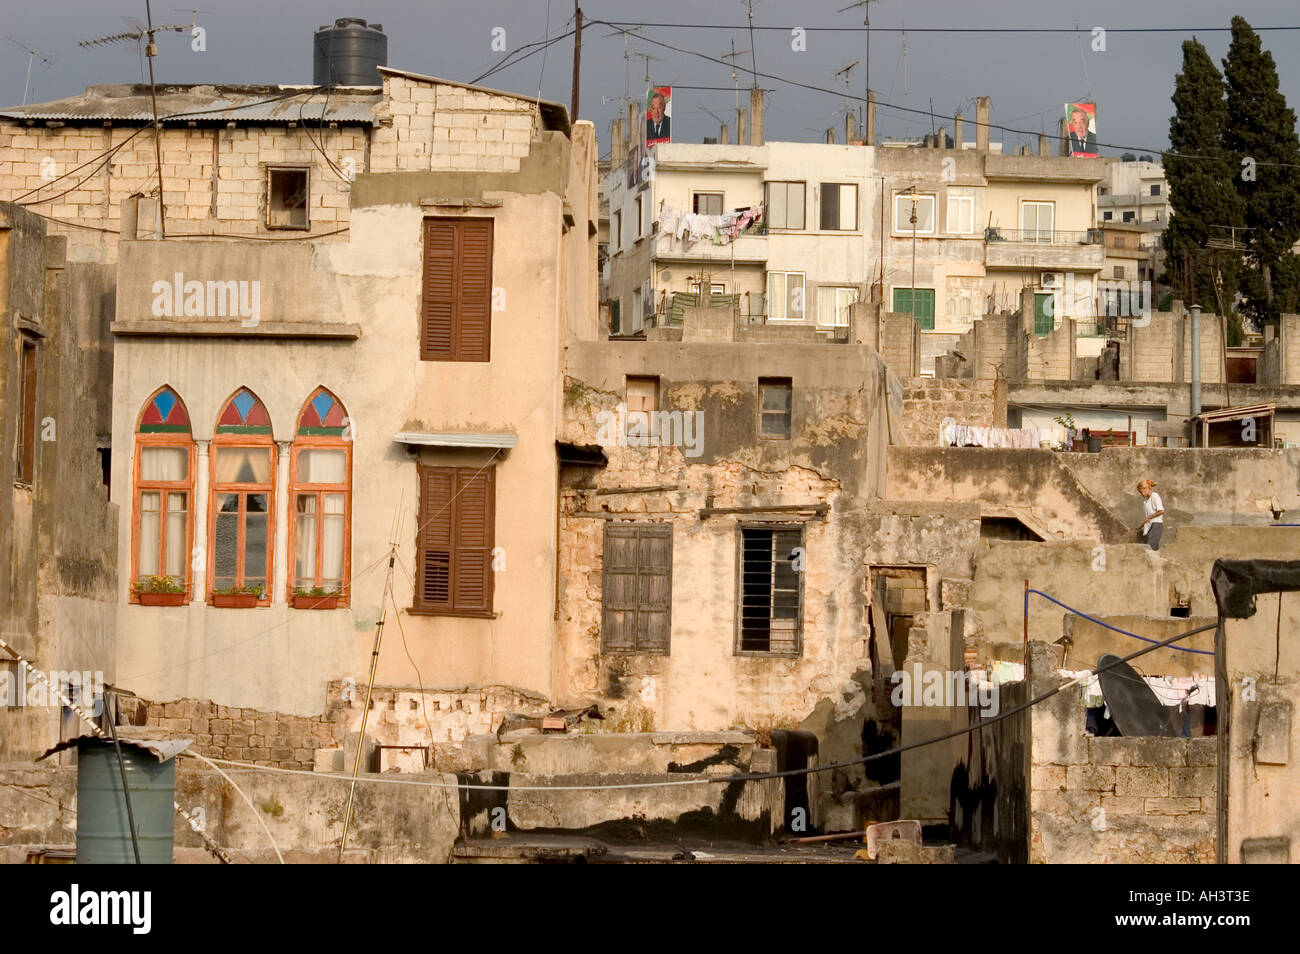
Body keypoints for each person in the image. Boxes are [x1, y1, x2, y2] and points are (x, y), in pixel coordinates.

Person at [1134, 479, 1165, 550]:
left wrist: (1150, 517)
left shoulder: (1154, 496)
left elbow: (1161, 511)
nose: (1141, 494)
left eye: (1141, 492)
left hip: (1156, 526)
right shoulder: (1146, 501)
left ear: (1145, 489)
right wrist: (1138, 528)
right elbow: (1147, 519)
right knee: (1152, 550)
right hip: (1150, 527)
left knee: (1149, 549)